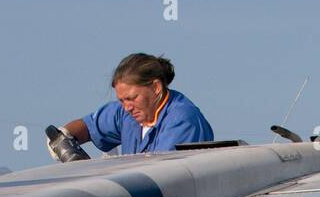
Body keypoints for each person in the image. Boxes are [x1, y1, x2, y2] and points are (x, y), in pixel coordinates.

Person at [52, 53, 213, 157]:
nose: (127, 107)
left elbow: (162, 177)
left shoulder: (183, 120)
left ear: (156, 87)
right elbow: (87, 126)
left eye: (133, 98)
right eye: (122, 100)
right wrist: (63, 138)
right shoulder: (126, 112)